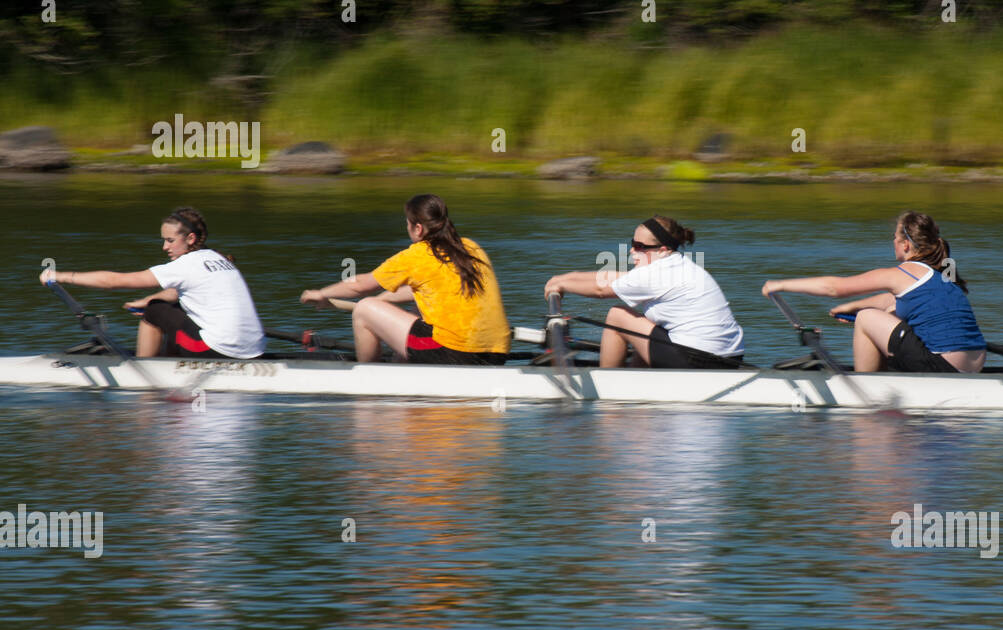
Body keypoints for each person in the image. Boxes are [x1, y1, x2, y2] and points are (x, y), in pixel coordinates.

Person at [761, 211, 985, 373]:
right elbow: (891, 300)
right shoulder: (941, 275)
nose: (893, 242)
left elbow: (834, 288)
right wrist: (852, 307)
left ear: (906, 244)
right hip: (974, 364)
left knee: (867, 318)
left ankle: (868, 382)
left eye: (895, 238)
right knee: (887, 310)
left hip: (945, 367)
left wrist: (780, 285)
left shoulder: (902, 273)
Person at [300, 194, 510, 364]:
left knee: (364, 309)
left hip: (455, 354)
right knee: (416, 310)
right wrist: (382, 302)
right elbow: (427, 290)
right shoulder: (471, 247)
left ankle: (369, 379)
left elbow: (361, 286)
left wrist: (321, 293)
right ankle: (400, 367)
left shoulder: (417, 255)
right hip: (497, 354)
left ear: (418, 228)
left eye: (408, 224)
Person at [37, 206, 266, 359]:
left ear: (190, 239)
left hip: (220, 351)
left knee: (155, 312)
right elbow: (177, 293)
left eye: (170, 240)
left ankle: (146, 370)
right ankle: (166, 359)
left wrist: (60, 276)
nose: (164, 247)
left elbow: (115, 281)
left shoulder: (185, 265)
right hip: (254, 348)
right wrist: (148, 299)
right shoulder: (218, 259)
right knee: (158, 305)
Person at [544, 215, 745, 368]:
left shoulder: (656, 273)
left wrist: (561, 286)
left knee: (618, 315)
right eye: (633, 244)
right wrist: (562, 279)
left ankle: (608, 382)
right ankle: (635, 378)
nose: (632, 251)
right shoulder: (678, 265)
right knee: (647, 326)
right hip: (731, 358)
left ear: (663, 249)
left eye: (640, 246)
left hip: (699, 361)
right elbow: (613, 278)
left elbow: (599, 289)